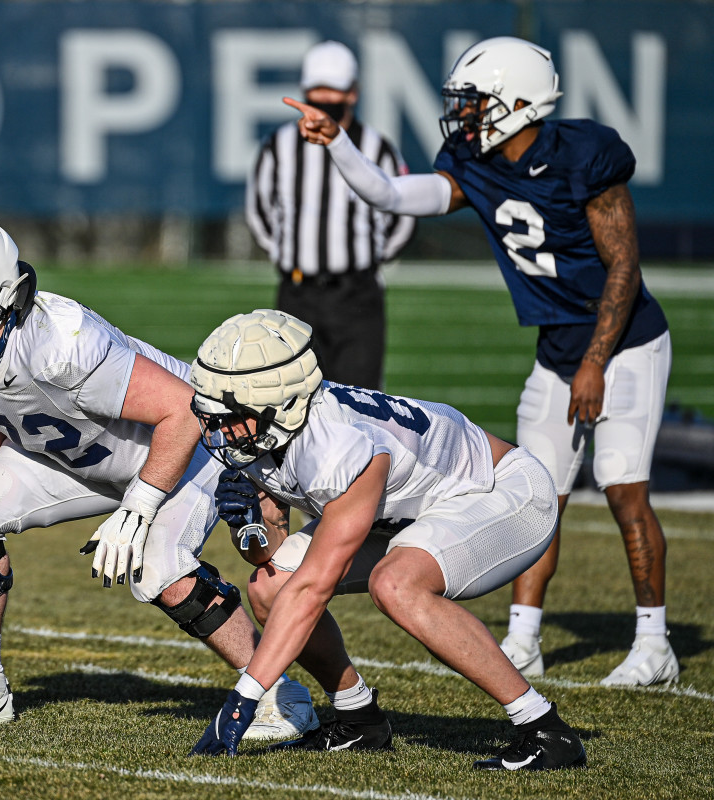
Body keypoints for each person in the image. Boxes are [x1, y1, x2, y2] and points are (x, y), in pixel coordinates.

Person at [283, 36, 677, 687]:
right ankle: (523, 639)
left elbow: (624, 268)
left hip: (625, 344)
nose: (464, 118)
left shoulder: (583, 155)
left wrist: (595, 362)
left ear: (519, 103)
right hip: (556, 349)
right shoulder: (478, 161)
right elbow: (388, 193)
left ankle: (654, 643)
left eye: (476, 104)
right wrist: (338, 143)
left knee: (622, 486)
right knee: (533, 490)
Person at [0, 216, 314, 739]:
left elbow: (183, 412)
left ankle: (282, 695)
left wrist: (137, 508)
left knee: (159, 568)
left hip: (188, 450)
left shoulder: (62, 341)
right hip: (83, 458)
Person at [187, 309, 586, 772]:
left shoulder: (337, 444)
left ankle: (544, 729)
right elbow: (270, 552)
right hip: (404, 515)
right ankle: (358, 718)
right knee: (269, 586)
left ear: (279, 404)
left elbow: (313, 588)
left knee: (396, 584)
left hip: (500, 491)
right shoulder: (268, 432)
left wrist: (243, 700)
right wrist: (247, 523)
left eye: (231, 415)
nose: (220, 430)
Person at [246, 41, 415, 390]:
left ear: (352, 93)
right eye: (317, 89)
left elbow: (403, 213)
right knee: (293, 401)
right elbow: (260, 212)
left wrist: (366, 261)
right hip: (297, 294)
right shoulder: (278, 146)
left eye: (333, 89)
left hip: (357, 296)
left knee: (362, 403)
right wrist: (288, 255)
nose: (324, 97)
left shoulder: (377, 148)